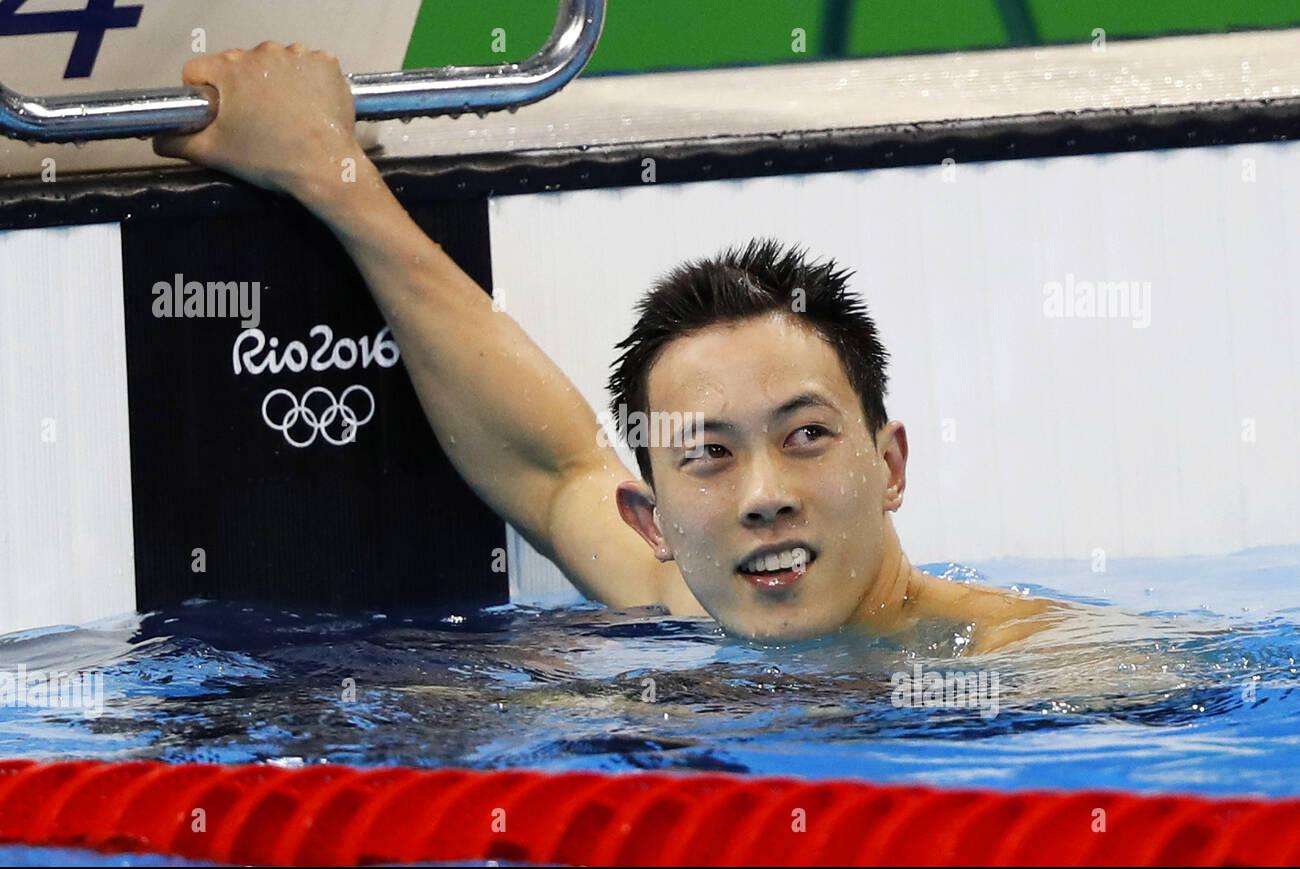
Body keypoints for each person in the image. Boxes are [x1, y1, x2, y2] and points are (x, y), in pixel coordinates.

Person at [155, 42, 1076, 652]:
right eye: (708, 455)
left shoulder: (1030, 665)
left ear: (891, 462)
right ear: (653, 523)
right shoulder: (682, 591)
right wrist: (330, 172)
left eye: (806, 435)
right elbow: (554, 466)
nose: (762, 498)